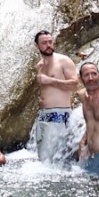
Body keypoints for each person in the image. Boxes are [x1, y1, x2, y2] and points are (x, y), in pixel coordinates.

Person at [30, 30, 80, 162]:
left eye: (50, 42)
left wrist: (51, 81)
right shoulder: (39, 65)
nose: (48, 45)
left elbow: (74, 85)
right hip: (43, 116)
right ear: (37, 46)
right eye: (44, 43)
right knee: (43, 160)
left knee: (52, 163)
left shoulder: (63, 61)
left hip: (59, 114)